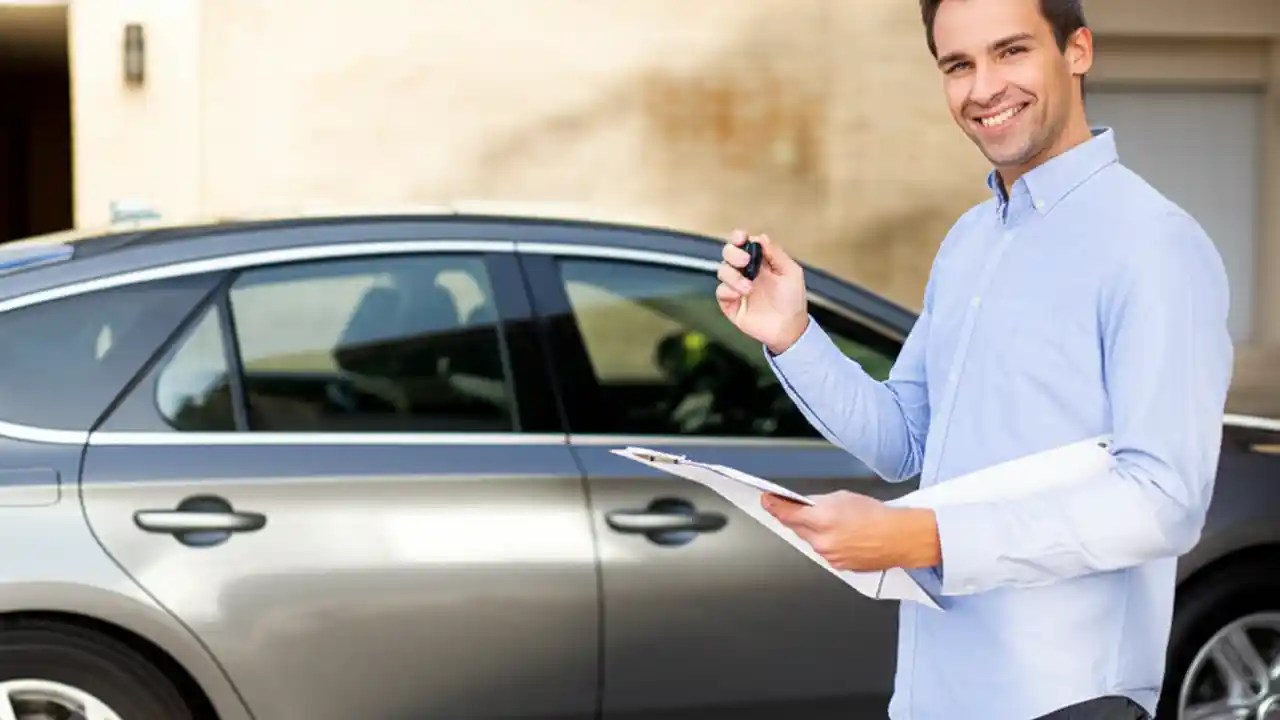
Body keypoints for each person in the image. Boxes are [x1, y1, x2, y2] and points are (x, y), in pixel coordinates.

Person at [714, 0, 1234, 718]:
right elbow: (905, 442)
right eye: (958, 64)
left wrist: (920, 536)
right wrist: (791, 335)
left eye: (1011, 51)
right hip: (933, 693)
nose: (983, 87)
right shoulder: (969, 242)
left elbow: (1163, 503)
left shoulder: (1155, 247)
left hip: (1065, 700)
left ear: (1077, 50)